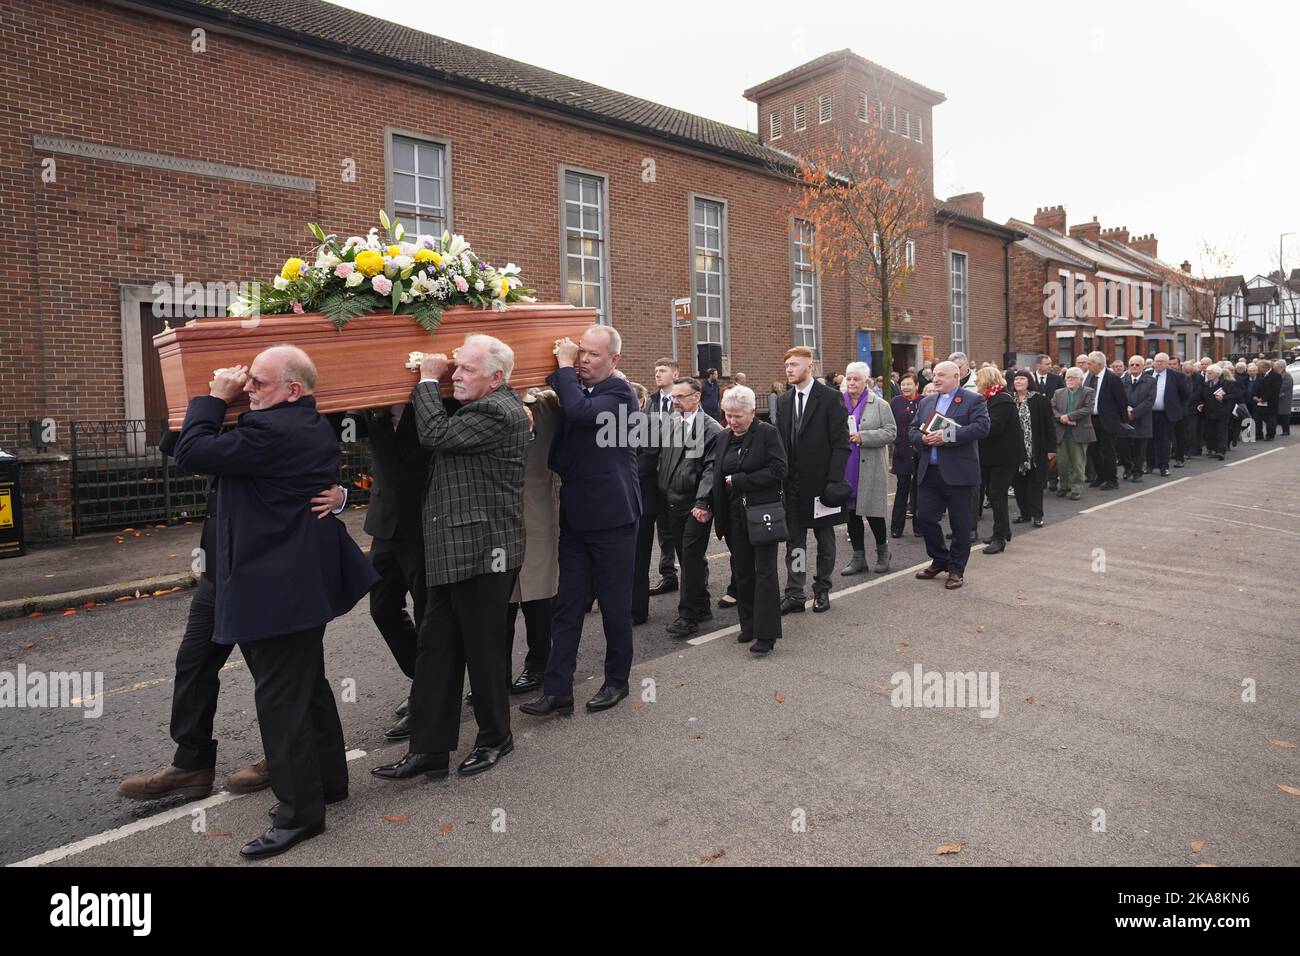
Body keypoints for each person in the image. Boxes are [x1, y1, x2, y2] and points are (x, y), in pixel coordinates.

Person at [172, 345, 377, 860]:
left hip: (274, 589)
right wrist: (206, 406)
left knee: (282, 700)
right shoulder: (303, 425)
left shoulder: (270, 431)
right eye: (247, 384)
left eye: (258, 383)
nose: (247, 390)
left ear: (293, 390)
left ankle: (300, 814)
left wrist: (212, 397)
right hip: (300, 585)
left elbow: (193, 454)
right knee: (308, 687)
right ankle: (330, 782)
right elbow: (188, 445)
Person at [117, 438, 347, 803]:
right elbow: (174, 443)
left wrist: (341, 495)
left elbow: (322, 459)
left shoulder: (272, 422)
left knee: (286, 675)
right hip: (217, 569)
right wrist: (207, 401)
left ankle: (290, 756)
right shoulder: (217, 418)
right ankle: (192, 763)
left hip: (261, 574)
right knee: (194, 662)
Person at [372, 334, 529, 785]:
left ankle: (495, 737)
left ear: (496, 378)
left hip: (484, 550)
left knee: (483, 651)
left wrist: (425, 379)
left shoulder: (497, 410)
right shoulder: (480, 405)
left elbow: (434, 433)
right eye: (454, 367)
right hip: (449, 549)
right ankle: (429, 750)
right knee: (434, 652)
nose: (453, 375)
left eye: (465, 370)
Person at [521, 325, 640, 717]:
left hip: (612, 519)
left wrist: (563, 366)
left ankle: (616, 682)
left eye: (592, 354)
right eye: (581, 353)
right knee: (566, 606)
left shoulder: (619, 394)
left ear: (614, 361)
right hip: (575, 517)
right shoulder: (578, 394)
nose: (583, 360)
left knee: (614, 607)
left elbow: (579, 412)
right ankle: (558, 690)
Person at [348, 402, 435, 742]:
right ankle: (427, 681)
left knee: (429, 614)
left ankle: (427, 699)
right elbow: (346, 432)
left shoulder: (433, 400)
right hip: (385, 523)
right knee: (382, 608)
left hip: (425, 523)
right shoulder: (369, 409)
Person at [711, 385, 787, 655]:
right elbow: (715, 476)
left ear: (752, 412)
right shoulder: (722, 438)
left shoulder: (767, 433)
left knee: (765, 573)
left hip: (761, 513)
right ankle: (749, 624)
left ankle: (766, 635)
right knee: (742, 572)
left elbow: (779, 469)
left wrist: (741, 481)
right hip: (733, 517)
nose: (732, 421)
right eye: (728, 415)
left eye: (737, 416)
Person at [775, 346, 851, 615]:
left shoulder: (829, 398)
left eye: (794, 365)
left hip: (822, 486)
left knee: (824, 540)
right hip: (792, 485)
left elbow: (841, 443)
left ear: (810, 367)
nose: (789, 369)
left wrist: (833, 481)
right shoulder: (783, 401)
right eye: (787, 366)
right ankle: (795, 593)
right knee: (794, 543)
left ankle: (822, 589)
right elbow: (781, 442)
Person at [910, 361, 990, 589]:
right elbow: (912, 430)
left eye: (941, 375)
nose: (935, 379)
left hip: (959, 473)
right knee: (924, 518)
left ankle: (956, 569)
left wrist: (947, 436)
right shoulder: (926, 402)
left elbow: (982, 427)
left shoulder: (973, 400)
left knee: (960, 524)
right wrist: (923, 439)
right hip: (930, 472)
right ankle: (939, 559)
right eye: (934, 375)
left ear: (957, 376)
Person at [658, 377, 723, 638]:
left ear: (696, 397)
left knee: (692, 558)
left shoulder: (711, 429)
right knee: (686, 557)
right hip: (673, 500)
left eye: (680, 397)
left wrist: (704, 502)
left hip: (696, 504)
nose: (674, 401)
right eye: (673, 397)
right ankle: (702, 604)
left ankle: (688, 616)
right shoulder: (672, 422)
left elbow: (711, 469)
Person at [508, 387, 562, 694]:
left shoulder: (548, 404)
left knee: (537, 595)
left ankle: (539, 663)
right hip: (494, 514)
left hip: (536, 509)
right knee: (497, 602)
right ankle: (493, 673)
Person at [839, 362, 896, 575]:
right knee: (851, 515)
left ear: (866, 381)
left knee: (873, 514)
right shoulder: (838, 403)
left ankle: (883, 553)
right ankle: (858, 558)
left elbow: (891, 432)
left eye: (856, 379)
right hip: (846, 467)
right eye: (849, 378)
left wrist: (864, 437)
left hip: (870, 467)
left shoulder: (880, 404)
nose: (852, 382)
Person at [974, 366, 1022, 555]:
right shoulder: (991, 399)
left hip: (1004, 457)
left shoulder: (1001, 400)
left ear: (987, 381)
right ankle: (1003, 531)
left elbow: (994, 427)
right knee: (993, 494)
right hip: (992, 456)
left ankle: (999, 538)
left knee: (997, 496)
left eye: (979, 380)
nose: (977, 383)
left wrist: (973, 425)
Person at [643, 358, 679, 594]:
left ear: (675, 374)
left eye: (663, 370)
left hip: (677, 472)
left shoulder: (684, 397)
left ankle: (699, 575)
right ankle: (668, 575)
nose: (657, 374)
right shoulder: (651, 402)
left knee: (683, 530)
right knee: (663, 529)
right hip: (655, 473)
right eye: (655, 370)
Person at [1009, 369, 1056, 528]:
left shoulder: (1039, 400)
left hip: (1036, 450)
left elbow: (1049, 426)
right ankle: (1024, 513)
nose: (1018, 382)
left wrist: (1051, 449)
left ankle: (1037, 515)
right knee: (1018, 484)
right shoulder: (1009, 400)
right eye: (1016, 379)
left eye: (1022, 379)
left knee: (1035, 484)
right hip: (1015, 450)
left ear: (1029, 381)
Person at [1083, 351, 1128, 490]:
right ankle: (1101, 475)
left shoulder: (1113, 378)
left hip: (1108, 421)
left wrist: (1121, 420)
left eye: (1090, 363)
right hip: (1092, 420)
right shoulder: (1090, 377)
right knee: (1093, 450)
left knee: (1108, 451)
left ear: (1098, 364)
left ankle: (1112, 479)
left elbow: (1121, 401)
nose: (1087, 366)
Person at [1050, 367, 1094, 501]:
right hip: (1062, 431)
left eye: (1073, 377)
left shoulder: (1088, 392)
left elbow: (1088, 409)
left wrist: (1069, 416)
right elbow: (1053, 408)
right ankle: (1064, 486)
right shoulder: (1058, 392)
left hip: (1079, 431)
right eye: (1067, 377)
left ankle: (1076, 488)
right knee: (1062, 462)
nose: (1069, 380)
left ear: (1081, 380)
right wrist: (1063, 418)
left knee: (1077, 462)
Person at [1146, 353, 1188, 477]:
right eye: (1157, 361)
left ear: (1167, 363)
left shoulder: (1177, 376)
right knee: (1149, 440)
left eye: (1162, 361)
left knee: (1164, 441)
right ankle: (1150, 464)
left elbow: (1184, 394)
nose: (1159, 364)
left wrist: (1173, 404)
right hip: (1148, 413)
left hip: (1166, 414)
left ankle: (1163, 466)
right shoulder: (1147, 375)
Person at [889, 374, 920, 539]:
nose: (905, 387)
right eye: (903, 384)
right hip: (901, 452)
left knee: (918, 490)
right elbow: (890, 424)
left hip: (919, 452)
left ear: (916, 385)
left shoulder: (923, 401)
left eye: (909, 384)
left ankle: (918, 526)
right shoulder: (895, 402)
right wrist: (897, 441)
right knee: (902, 490)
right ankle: (896, 527)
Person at [1119, 356, 1155, 482]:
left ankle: (1137, 472)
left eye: (1137, 365)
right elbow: (1118, 398)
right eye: (1132, 364)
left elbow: (1149, 400)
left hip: (1142, 418)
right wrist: (1125, 411)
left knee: (1140, 448)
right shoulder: (1122, 381)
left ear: (1143, 366)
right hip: (1125, 418)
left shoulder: (1150, 381)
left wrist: (1134, 413)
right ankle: (1128, 467)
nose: (1134, 367)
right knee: (1123, 446)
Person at [1196, 364, 1232, 460]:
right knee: (1211, 431)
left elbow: (1235, 396)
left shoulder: (1226, 383)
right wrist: (1201, 403)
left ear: (1217, 374)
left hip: (1222, 412)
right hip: (1209, 411)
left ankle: (1221, 451)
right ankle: (1213, 449)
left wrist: (1223, 398)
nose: (1208, 375)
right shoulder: (1205, 385)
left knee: (1221, 431)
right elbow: (1200, 397)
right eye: (1207, 373)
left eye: (1210, 373)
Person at [1253, 359, 1282, 441]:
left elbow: (1274, 390)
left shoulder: (1276, 376)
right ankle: (1258, 434)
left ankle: (1270, 435)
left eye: (1259, 368)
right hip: (1258, 401)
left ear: (1265, 367)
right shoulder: (1259, 375)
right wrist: (1254, 396)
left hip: (1270, 402)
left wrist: (1263, 399)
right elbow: (1256, 386)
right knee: (1257, 418)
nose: (1258, 369)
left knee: (1270, 419)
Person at [1275, 360, 1293, 436]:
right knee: (1278, 415)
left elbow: (1285, 386)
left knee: (1284, 415)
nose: (1275, 367)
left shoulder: (1287, 375)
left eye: (1276, 366)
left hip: (1284, 398)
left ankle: (1286, 430)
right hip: (1278, 398)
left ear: (1280, 367)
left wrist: (1275, 390)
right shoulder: (1277, 374)